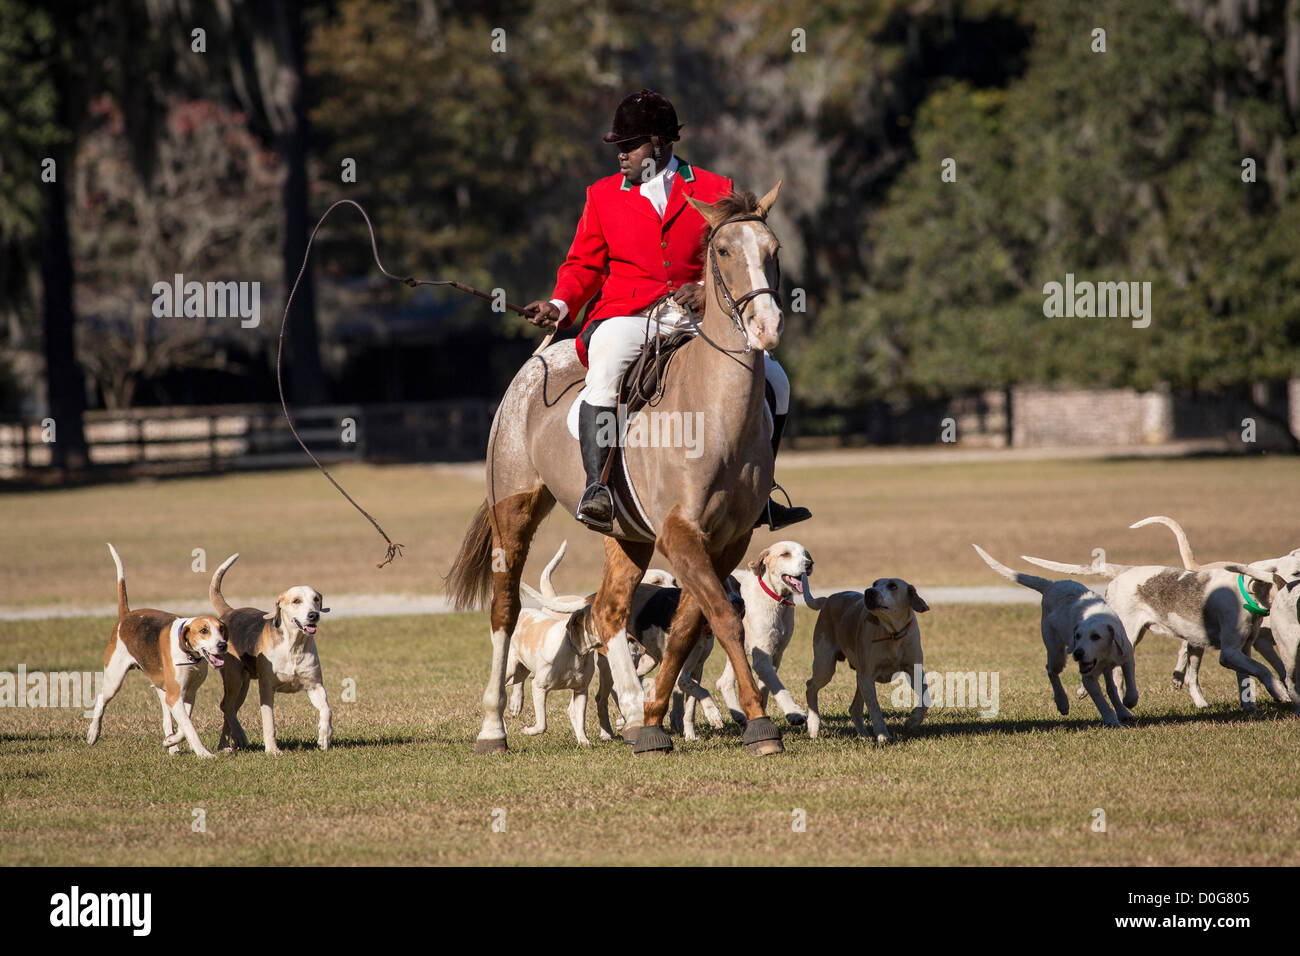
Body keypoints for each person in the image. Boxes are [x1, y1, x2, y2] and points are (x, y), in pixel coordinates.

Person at [523, 89, 810, 534]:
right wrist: (559, 305)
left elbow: (730, 258)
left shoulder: (715, 190)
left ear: (659, 143)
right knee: (605, 368)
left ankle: (762, 491)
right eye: (617, 147)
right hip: (629, 314)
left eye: (628, 145)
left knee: (777, 380)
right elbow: (584, 263)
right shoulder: (602, 196)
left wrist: (702, 289)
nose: (620, 155)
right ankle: (597, 488)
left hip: (699, 319)